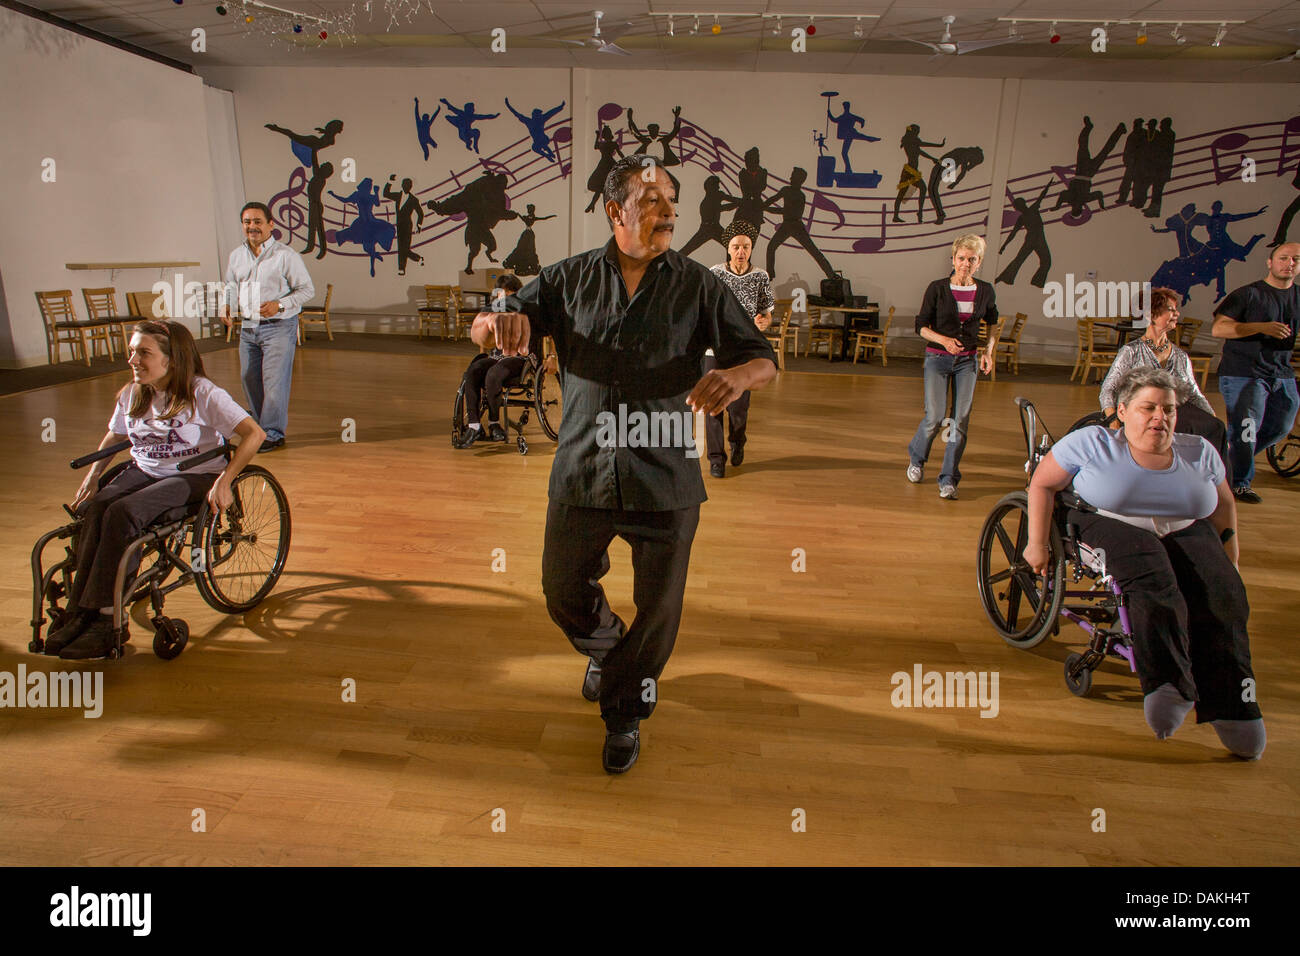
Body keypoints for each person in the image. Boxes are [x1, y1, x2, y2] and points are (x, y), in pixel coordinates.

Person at [472, 156, 778, 773]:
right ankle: (615, 656)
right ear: (616, 211)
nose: (668, 213)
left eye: (671, 201)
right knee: (562, 591)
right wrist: (492, 325)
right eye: (653, 200)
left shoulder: (699, 284)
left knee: (660, 609)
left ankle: (625, 715)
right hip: (584, 466)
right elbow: (488, 324)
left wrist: (737, 376)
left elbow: (763, 358)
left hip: (664, 470)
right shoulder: (567, 279)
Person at [1024, 368, 1264, 759]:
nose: (1160, 417)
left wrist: (1230, 559)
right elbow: (1041, 483)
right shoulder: (1092, 443)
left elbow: (1224, 505)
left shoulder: (1199, 450)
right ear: (1122, 411)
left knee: (1225, 597)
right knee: (1155, 581)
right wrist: (1037, 544)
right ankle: (1168, 685)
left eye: (1167, 409)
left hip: (1186, 527)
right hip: (1109, 521)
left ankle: (1236, 709)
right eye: (1148, 407)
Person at [44, 320, 264, 661]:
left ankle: (106, 619)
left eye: (143, 353)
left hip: (193, 475)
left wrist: (226, 479)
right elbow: (116, 437)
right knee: (96, 508)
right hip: (144, 469)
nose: (133, 359)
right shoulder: (133, 393)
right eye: (132, 351)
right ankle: (80, 611)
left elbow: (254, 434)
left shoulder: (202, 393)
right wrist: (93, 477)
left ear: (172, 359)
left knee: (122, 513)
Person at [1098, 287, 1231, 481]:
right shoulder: (1131, 351)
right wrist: (1113, 420)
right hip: (1142, 409)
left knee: (1216, 427)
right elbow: (1108, 390)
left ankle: (1213, 483)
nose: (1177, 314)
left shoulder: (1180, 356)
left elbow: (1195, 394)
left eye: (1176, 310)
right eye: (1171, 309)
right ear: (1151, 314)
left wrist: (1212, 417)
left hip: (1174, 409)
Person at [907, 234, 999, 499]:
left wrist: (988, 352)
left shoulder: (985, 291)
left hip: (967, 361)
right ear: (953, 258)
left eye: (972, 260)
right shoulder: (937, 288)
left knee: (959, 421)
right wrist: (944, 340)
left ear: (979, 262)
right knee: (935, 417)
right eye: (961, 258)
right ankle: (916, 458)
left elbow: (993, 323)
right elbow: (920, 326)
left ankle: (948, 479)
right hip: (937, 358)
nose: (965, 264)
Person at [221, 201, 316, 452]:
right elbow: (231, 285)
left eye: (257, 222)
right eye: (247, 222)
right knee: (248, 377)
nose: (252, 227)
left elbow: (307, 290)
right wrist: (227, 305)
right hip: (248, 326)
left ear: (271, 224)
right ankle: (260, 428)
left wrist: (280, 305)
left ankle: (273, 433)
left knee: (274, 381)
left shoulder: (285, 256)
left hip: (279, 326)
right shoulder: (236, 256)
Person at [1210, 242, 1300, 503]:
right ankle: (1240, 483)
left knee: (1281, 427)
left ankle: (1228, 457)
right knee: (1247, 430)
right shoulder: (1248, 294)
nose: (1289, 263)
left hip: (1282, 373)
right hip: (1243, 372)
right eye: (1283, 258)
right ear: (1270, 263)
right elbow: (1219, 329)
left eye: (1295, 259)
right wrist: (1261, 327)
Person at [706, 219, 774, 477]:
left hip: (745, 352)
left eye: (745, 246)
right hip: (715, 349)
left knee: (738, 407)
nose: (740, 252)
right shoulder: (715, 273)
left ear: (751, 248)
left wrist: (764, 321)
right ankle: (715, 458)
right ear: (728, 248)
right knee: (713, 404)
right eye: (736, 247)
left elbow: (766, 312)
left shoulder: (760, 276)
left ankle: (737, 441)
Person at [456, 274, 526, 448]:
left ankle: (494, 423)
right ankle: (474, 425)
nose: (506, 298)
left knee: (494, 373)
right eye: (503, 294)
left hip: (520, 357)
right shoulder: (494, 308)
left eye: (510, 293)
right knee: (473, 370)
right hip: (497, 356)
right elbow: (481, 335)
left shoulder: (526, 308)